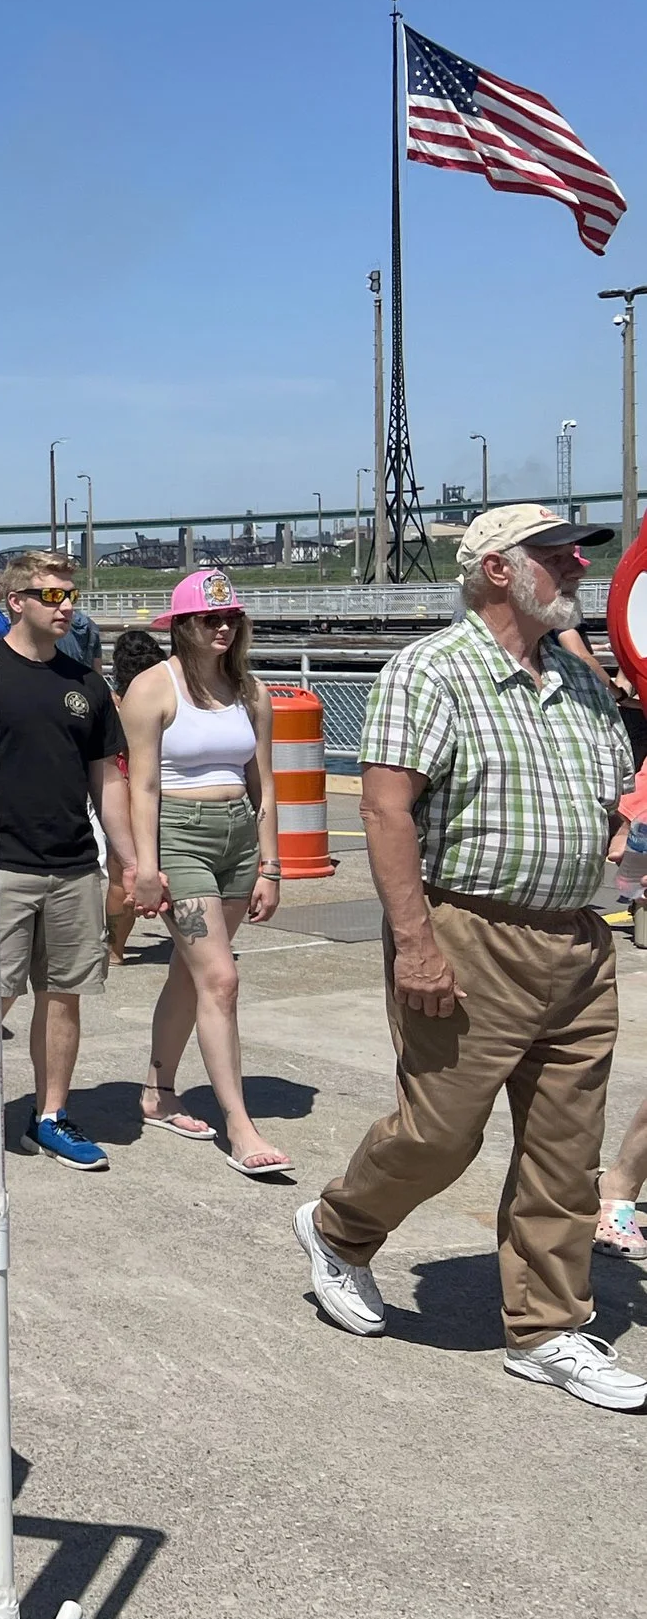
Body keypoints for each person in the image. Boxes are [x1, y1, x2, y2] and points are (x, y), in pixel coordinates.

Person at [297, 504, 647, 1411]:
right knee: (440, 1132)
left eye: (577, 555)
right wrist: (415, 940)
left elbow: (616, 797)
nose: (578, 566)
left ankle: (548, 1328)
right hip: (468, 932)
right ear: (498, 568)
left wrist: (622, 837)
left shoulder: (580, 683)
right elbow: (384, 812)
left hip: (578, 936)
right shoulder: (431, 672)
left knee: (567, 1147)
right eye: (559, 554)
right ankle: (340, 1229)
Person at [0, 551, 134, 1168]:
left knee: (63, 994)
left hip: (74, 864)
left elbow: (108, 780)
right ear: (14, 601)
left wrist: (129, 860)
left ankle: (49, 1116)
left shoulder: (87, 685)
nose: (66, 606)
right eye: (51, 595)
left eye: (70, 594)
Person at [120, 570, 288, 1177]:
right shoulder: (152, 688)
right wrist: (145, 865)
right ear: (182, 626)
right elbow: (140, 784)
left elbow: (262, 782)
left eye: (231, 619)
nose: (223, 628)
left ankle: (157, 1093)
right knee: (221, 979)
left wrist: (271, 864)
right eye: (210, 619)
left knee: (191, 979)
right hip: (179, 837)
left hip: (238, 839)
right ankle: (239, 1125)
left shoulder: (251, 692)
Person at [102, 629, 167, 963]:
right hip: (167, 788)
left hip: (127, 787)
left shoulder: (117, 701)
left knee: (119, 877)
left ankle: (114, 948)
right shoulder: (167, 691)